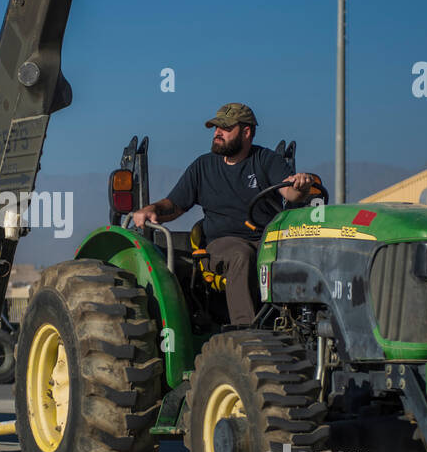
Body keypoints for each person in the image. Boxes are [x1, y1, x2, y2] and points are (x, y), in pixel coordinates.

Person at [131, 103, 315, 327]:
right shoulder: (203, 166)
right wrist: (153, 209)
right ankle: (245, 331)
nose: (217, 133)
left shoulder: (265, 160)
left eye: (225, 128)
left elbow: (291, 192)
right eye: (216, 128)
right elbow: (175, 204)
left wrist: (301, 185)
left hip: (267, 242)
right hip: (220, 247)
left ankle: (306, 327)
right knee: (242, 254)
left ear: (246, 132)